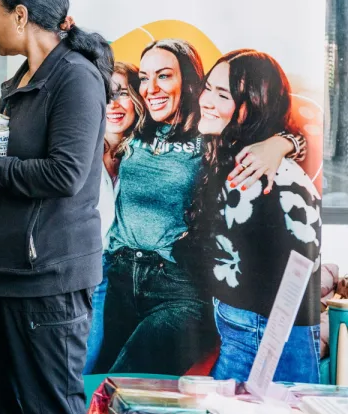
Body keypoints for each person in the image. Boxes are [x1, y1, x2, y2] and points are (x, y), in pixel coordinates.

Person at [0, 0, 110, 414]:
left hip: (46, 281)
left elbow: (67, 173)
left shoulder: (75, 77)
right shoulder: (16, 82)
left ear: (22, 16)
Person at [94, 39, 303, 375]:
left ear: (189, 81)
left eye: (164, 76)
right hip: (118, 281)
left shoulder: (211, 134)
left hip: (177, 287)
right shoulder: (136, 128)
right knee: (104, 391)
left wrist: (285, 142)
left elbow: (265, 131)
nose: (151, 88)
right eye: (144, 78)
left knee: (121, 382)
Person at [190, 50, 321, 383]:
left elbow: (297, 273)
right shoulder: (228, 150)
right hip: (238, 323)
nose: (206, 100)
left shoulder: (267, 170)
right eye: (209, 88)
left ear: (254, 106)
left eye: (224, 94)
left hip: (264, 332)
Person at [84, 62, 145, 374]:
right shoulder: (79, 149)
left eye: (124, 93)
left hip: (128, 279)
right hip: (81, 272)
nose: (115, 104)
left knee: (106, 370)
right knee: (80, 365)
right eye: (106, 95)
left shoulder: (146, 154)